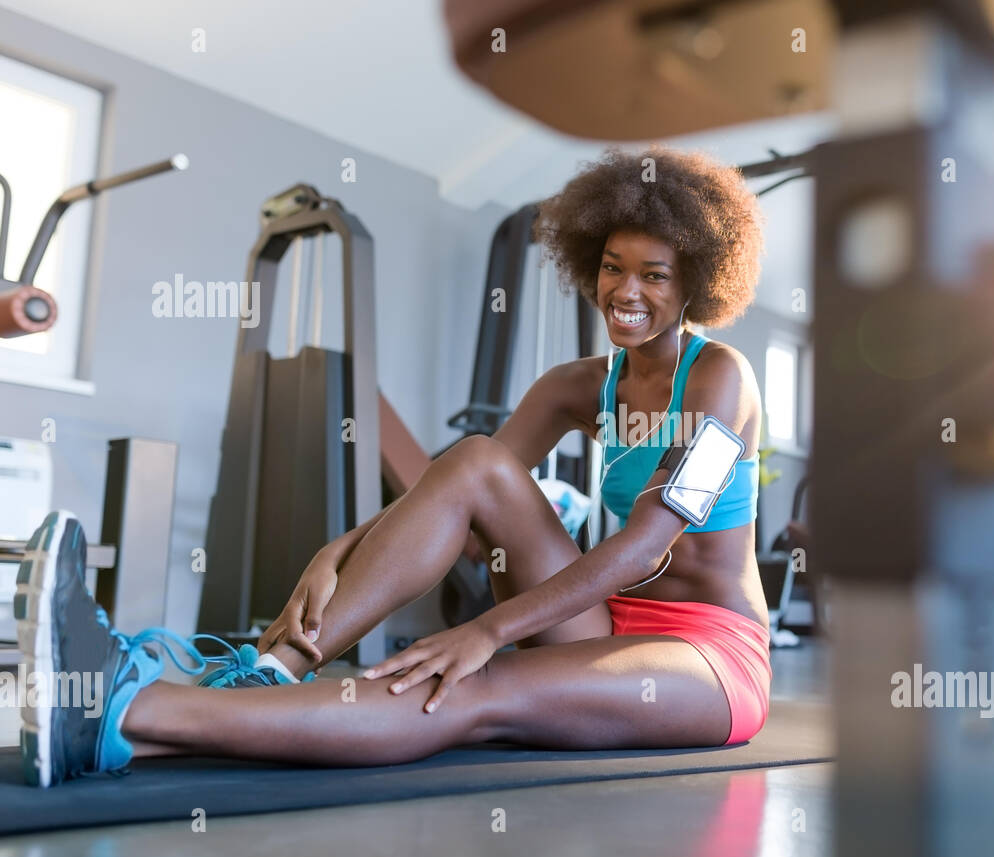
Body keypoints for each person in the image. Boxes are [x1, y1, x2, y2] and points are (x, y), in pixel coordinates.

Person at [17, 145, 772, 788]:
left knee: (469, 686)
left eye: (655, 275)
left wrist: (486, 630)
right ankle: (267, 672)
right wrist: (335, 549)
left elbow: (648, 542)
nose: (627, 292)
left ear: (696, 282)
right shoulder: (579, 387)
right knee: (476, 460)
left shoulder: (721, 380)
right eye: (613, 268)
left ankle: (126, 707)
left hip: (704, 655)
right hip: (601, 625)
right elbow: (453, 485)